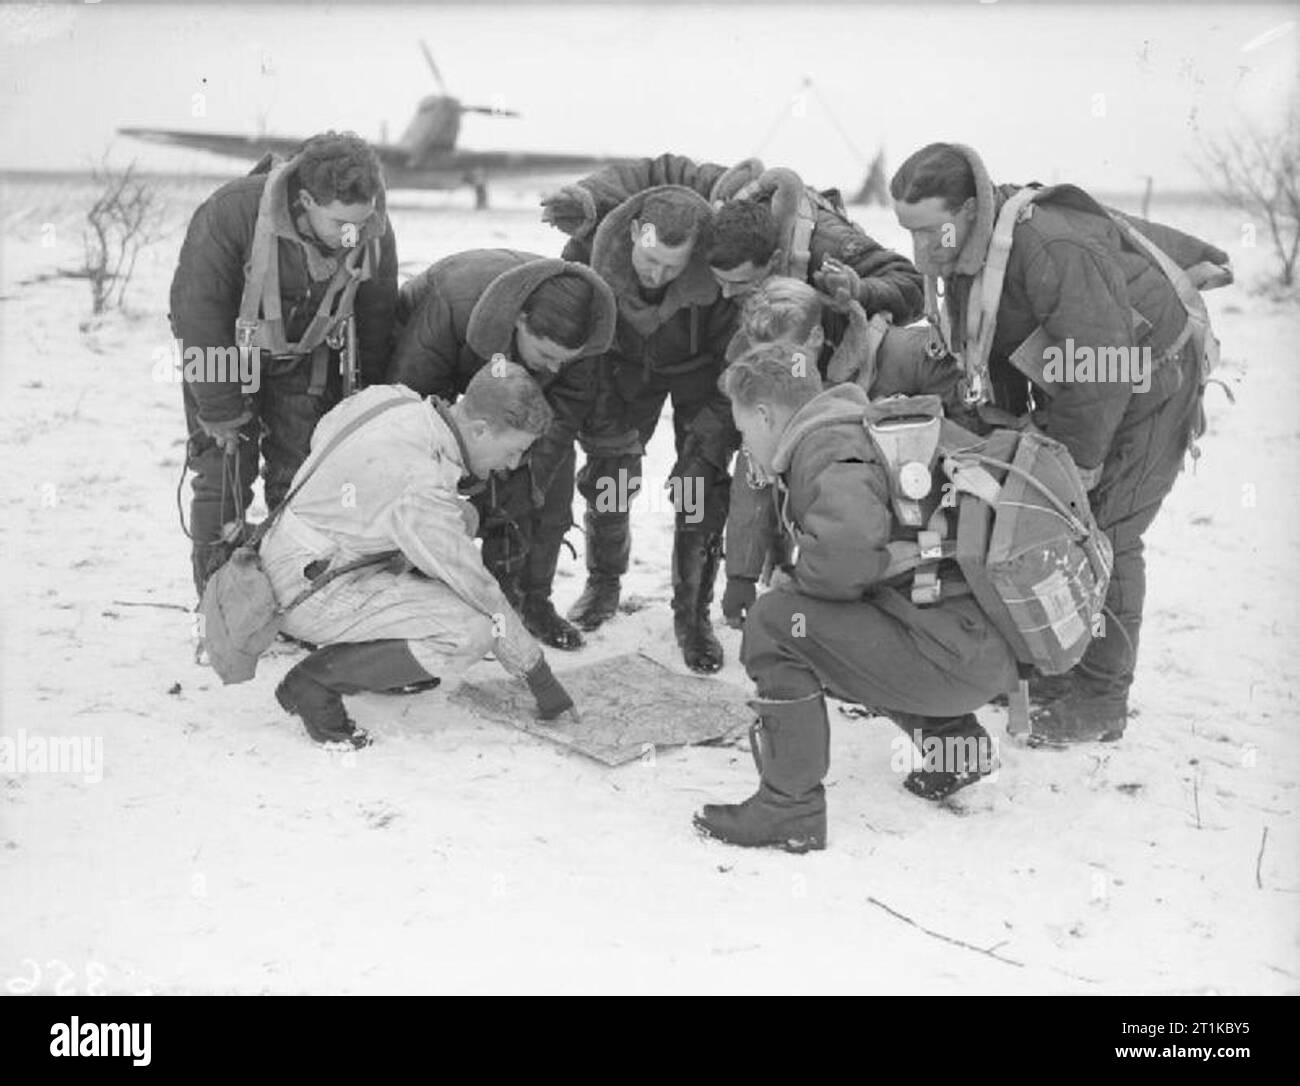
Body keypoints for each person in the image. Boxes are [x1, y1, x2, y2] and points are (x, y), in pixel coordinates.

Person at [889, 142, 1228, 744]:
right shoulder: (975, 257)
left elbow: (1102, 364)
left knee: (1103, 532)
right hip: (1083, 383)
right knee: (1041, 523)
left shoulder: (1050, 247)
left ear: (969, 210)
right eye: (907, 232)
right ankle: (1056, 669)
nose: (918, 250)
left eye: (929, 231)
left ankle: (1100, 700)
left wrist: (1076, 464)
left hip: (1146, 384)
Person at [694, 345, 1018, 852]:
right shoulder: (867, 426)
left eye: (744, 431)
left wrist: (794, 583)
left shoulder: (826, 446)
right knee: (838, 619)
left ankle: (789, 808)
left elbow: (844, 556)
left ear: (765, 414)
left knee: (777, 623)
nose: (746, 444)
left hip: (956, 657)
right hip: (977, 647)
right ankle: (959, 750)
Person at [259, 363, 575, 749]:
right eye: (513, 451)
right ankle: (315, 684)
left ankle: (386, 657)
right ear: (479, 430)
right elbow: (480, 590)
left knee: (464, 517)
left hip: (293, 547)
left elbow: (325, 433)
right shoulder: (419, 486)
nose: (511, 465)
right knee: (473, 631)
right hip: (308, 588)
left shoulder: (395, 400)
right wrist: (537, 675)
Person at [171, 130, 398, 596]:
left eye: (362, 220)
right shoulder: (233, 211)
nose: (351, 235)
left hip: (304, 354)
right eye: (339, 223)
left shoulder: (371, 227)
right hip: (227, 356)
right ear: (306, 200)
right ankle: (220, 603)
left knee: (302, 475)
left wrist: (369, 406)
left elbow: (376, 319)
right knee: (225, 470)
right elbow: (199, 309)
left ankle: (292, 595)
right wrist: (218, 407)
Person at [554, 185, 742, 673]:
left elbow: (734, 361)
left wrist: (707, 439)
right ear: (635, 232)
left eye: (672, 267)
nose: (656, 275)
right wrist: (606, 419)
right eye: (649, 260)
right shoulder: (588, 253)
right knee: (610, 471)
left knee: (698, 482)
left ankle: (692, 612)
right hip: (624, 367)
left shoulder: (721, 266)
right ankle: (603, 582)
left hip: (704, 374)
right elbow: (582, 339)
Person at [389, 249, 617, 649]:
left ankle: (530, 600)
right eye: (546, 356)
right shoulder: (451, 303)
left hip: (508, 377)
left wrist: (524, 479)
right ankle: (412, 602)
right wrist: (458, 472)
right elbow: (411, 397)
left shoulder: (581, 336)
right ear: (520, 321)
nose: (555, 369)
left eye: (567, 361)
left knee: (546, 489)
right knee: (427, 491)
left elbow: (560, 421)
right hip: (441, 363)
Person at [718, 277, 963, 630]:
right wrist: (741, 573)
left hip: (935, 550)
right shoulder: (778, 385)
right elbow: (755, 467)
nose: (769, 364)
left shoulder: (901, 355)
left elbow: (962, 439)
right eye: (760, 355)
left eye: (780, 353)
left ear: (815, 337)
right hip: (862, 558)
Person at [542, 152, 923, 320]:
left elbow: (910, 285)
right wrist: (589, 197)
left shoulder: (827, 244)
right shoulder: (710, 207)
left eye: (738, 283)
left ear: (773, 262)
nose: (724, 294)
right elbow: (657, 173)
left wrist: (858, 290)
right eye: (720, 282)